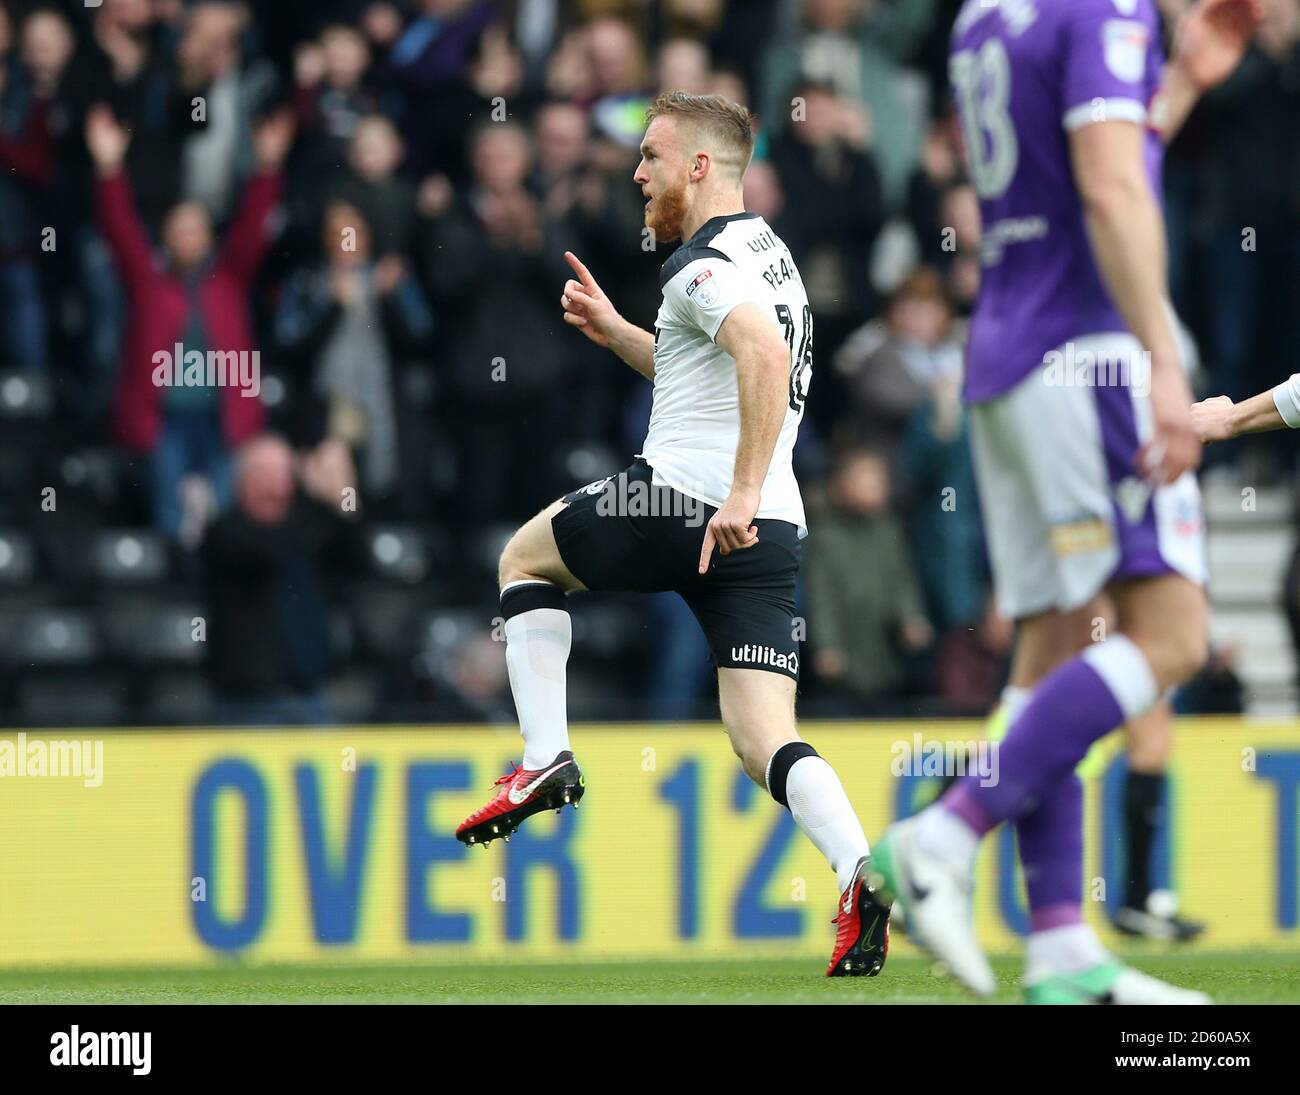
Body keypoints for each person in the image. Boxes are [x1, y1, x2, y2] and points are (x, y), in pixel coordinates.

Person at [868, 0, 1260, 1004]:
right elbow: (1109, 186)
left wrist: (1174, 90)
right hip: (1086, 359)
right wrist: (1164, 360)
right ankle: (943, 834)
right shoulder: (1106, 5)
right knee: (1171, 638)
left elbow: (1076, 167)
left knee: (1053, 651)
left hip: (1002, 355)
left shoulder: (981, 20)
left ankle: (1058, 949)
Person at [454, 90, 891, 979]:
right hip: (769, 526)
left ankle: (544, 760)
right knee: (761, 732)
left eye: (651, 156)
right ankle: (857, 872)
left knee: (522, 559)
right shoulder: (769, 256)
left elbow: (761, 359)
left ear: (699, 166)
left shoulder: (699, 262)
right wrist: (621, 334)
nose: (637, 171)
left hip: (685, 503)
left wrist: (729, 487)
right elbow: (722, 360)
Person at [86, 103, 294, 541]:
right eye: (178, 229)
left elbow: (254, 226)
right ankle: (175, 595)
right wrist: (109, 168)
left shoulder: (229, 280)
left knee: (223, 512)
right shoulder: (148, 282)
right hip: (167, 419)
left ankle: (211, 590)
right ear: (165, 237)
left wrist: (267, 166)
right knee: (169, 512)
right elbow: (120, 230)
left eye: (196, 229)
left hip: (223, 416)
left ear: (209, 238)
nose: (188, 237)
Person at [202, 434, 363, 727]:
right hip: (246, 706)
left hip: (310, 699)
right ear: (242, 481)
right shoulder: (224, 533)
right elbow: (273, 549)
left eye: (284, 476)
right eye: (266, 475)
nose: (277, 487)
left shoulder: (308, 527)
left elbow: (355, 550)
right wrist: (312, 492)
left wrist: (344, 498)